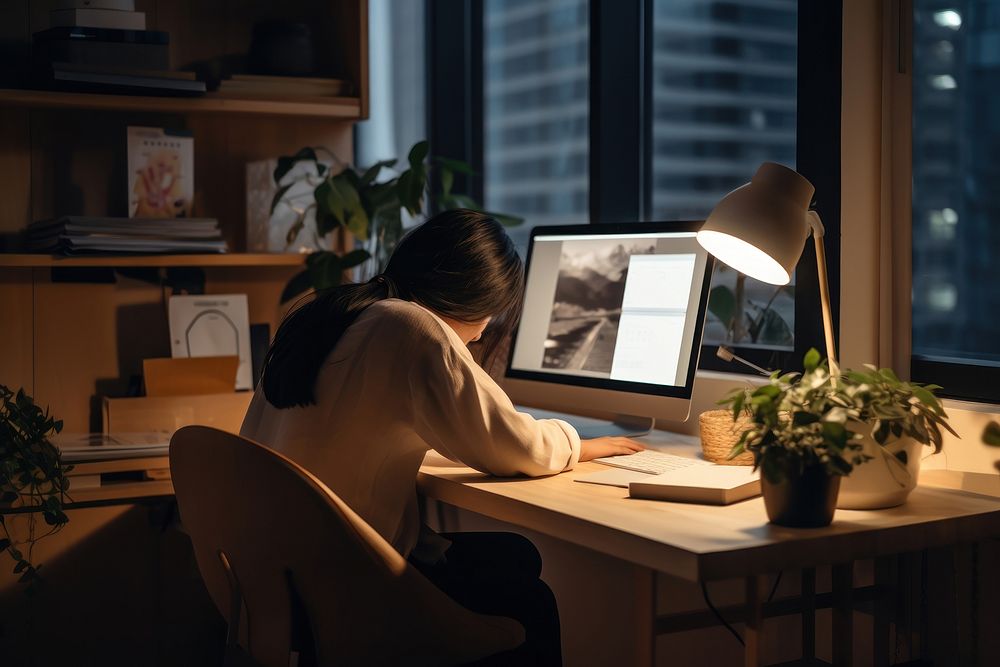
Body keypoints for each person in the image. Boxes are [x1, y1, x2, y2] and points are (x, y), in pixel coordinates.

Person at [242, 209, 644, 665]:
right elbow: (516, 446)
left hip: (277, 580)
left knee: (517, 556)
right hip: (345, 587)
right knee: (532, 600)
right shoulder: (410, 326)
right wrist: (582, 445)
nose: (483, 332)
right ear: (472, 300)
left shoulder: (331, 314)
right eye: (490, 314)